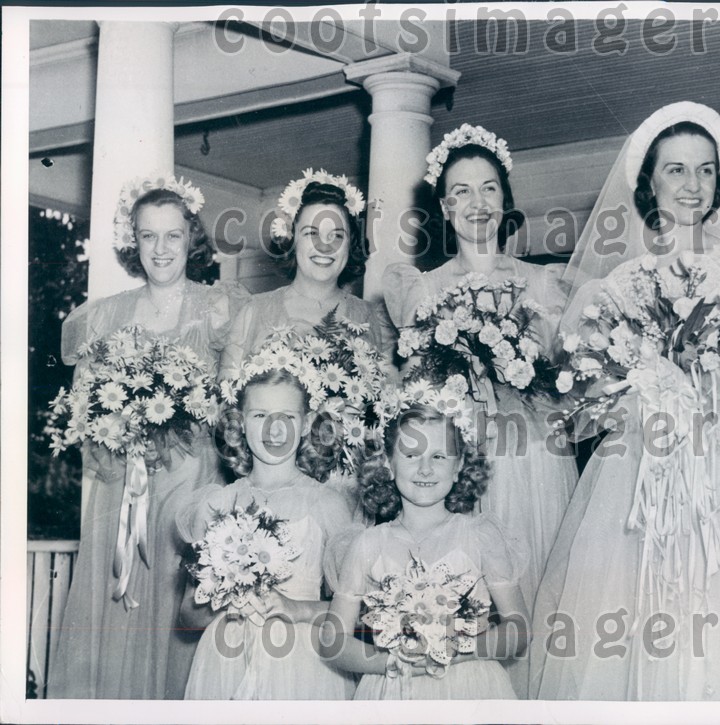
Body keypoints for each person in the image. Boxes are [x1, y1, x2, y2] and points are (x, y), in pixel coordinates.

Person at [531, 102, 720, 700]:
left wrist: (707, 390)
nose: (691, 185)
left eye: (703, 170)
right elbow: (586, 404)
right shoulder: (613, 285)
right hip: (640, 465)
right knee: (631, 606)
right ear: (649, 182)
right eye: (675, 170)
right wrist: (651, 396)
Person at [48, 176, 248, 699]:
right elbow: (85, 406)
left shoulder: (219, 308)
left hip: (191, 484)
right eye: (148, 237)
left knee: (172, 601)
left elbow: (234, 402)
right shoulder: (108, 315)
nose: (161, 249)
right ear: (134, 242)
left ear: (191, 239)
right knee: (117, 601)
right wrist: (124, 430)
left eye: (173, 236)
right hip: (124, 488)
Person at [382, 125, 579, 620]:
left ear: (505, 199)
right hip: (465, 461)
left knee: (537, 596)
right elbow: (418, 399)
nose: (478, 203)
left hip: (535, 457)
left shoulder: (543, 283)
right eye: (462, 191)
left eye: (489, 188)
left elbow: (568, 385)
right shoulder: (423, 291)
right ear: (446, 208)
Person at [327, 396, 530, 699]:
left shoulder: (479, 535)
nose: (425, 469)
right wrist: (390, 662)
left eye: (438, 457)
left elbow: (519, 630)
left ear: (459, 466)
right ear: (388, 465)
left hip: (469, 688)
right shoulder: (368, 543)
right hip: (393, 691)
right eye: (411, 456)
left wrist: (456, 650)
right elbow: (333, 641)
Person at [178, 366, 357, 700]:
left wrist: (298, 608)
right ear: (239, 424)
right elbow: (187, 615)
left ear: (306, 424)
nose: (275, 429)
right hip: (225, 658)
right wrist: (225, 601)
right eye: (260, 414)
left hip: (301, 660)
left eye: (288, 416)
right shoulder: (218, 503)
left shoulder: (326, 503)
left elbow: (356, 609)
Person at [220, 170, 397, 378]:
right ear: (291, 239)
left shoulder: (375, 321)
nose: (324, 246)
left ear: (351, 244)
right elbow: (227, 400)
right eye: (311, 233)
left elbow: (390, 401)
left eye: (337, 235)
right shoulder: (252, 313)